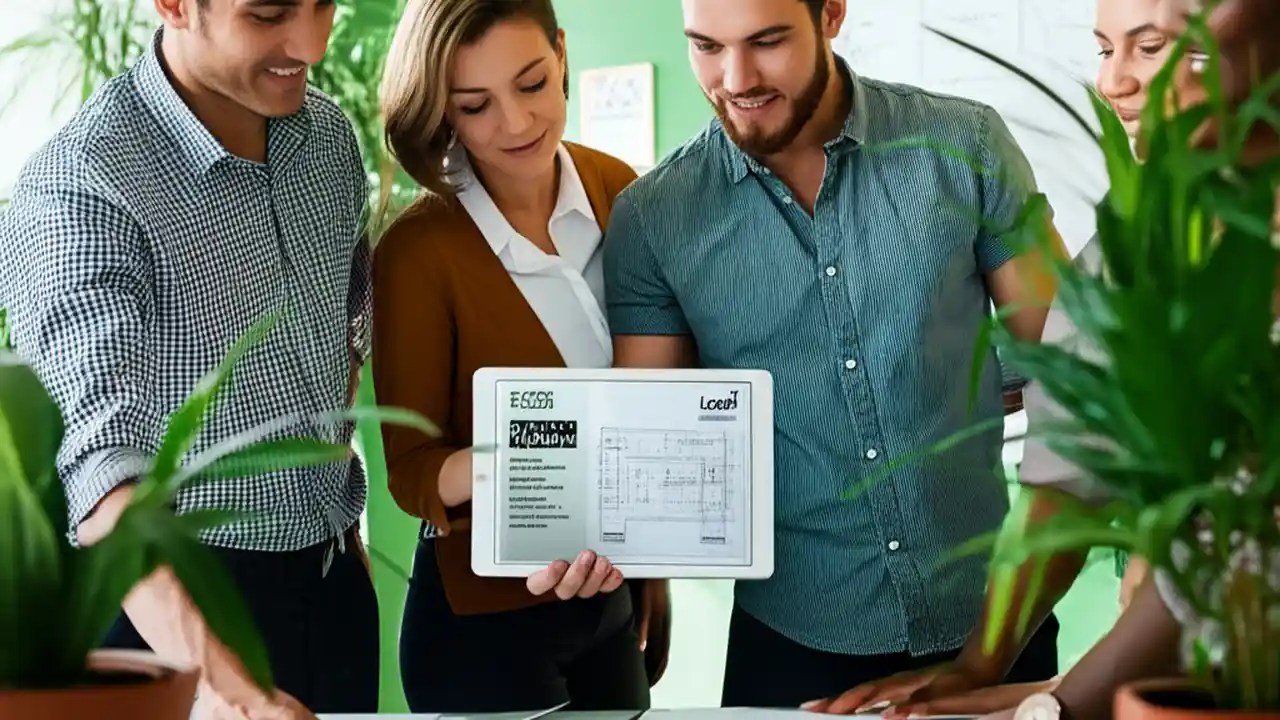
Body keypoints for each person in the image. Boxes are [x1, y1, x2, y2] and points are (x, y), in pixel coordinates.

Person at [812, 0, 1280, 717]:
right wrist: (979, 671)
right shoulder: (1130, 259)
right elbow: (1065, 479)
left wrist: (1056, 704)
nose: (1114, 83)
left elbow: (1227, 549)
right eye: (1103, 49)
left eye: (1150, 47)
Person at [602, 0, 1068, 709]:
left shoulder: (963, 145)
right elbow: (648, 446)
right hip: (790, 646)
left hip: (999, 629)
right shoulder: (654, 216)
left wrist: (985, 658)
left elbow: (1077, 387)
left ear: (832, 14)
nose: (736, 77)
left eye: (767, 42)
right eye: (705, 47)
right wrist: (642, 568)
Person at [0, 1, 376, 718]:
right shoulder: (82, 186)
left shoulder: (327, 140)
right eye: (269, 13)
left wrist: (343, 536)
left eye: (327, 3)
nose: (313, 43)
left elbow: (344, 334)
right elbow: (103, 479)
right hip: (174, 622)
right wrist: (233, 694)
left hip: (333, 589)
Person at [372, 0, 666, 712]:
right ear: (443, 109)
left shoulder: (619, 190)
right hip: (484, 626)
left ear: (562, 52)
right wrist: (532, 471)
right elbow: (410, 473)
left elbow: (647, 409)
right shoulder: (418, 250)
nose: (515, 123)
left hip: (612, 602)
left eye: (532, 84)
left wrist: (653, 572)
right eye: (475, 105)